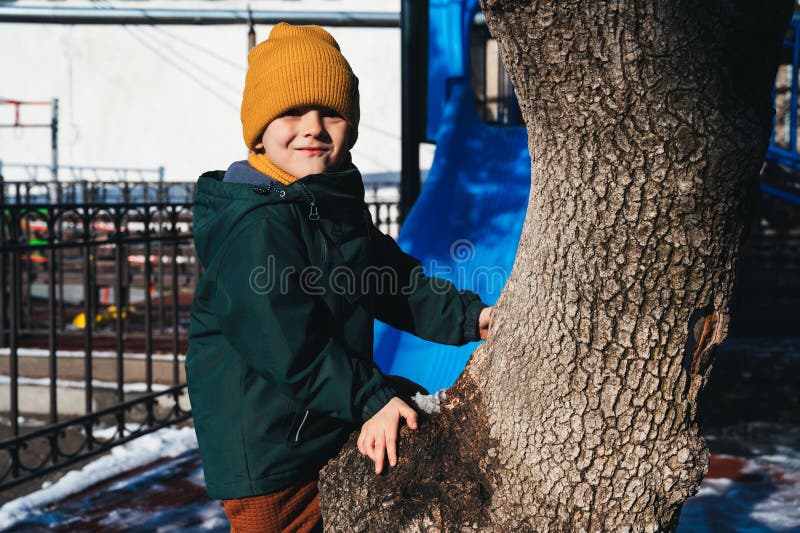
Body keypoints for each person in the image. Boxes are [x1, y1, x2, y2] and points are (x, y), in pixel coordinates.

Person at [186, 22, 493, 533]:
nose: (312, 127)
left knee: (421, 421)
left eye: (330, 113)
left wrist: (470, 317)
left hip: (321, 417)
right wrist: (371, 398)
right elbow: (288, 344)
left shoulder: (326, 199)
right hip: (269, 452)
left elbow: (391, 280)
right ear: (259, 130)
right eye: (291, 113)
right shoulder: (254, 226)